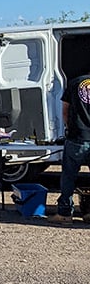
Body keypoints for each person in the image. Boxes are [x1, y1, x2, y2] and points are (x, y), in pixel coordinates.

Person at [48, 72, 90, 223]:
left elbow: (65, 111)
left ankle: (65, 213)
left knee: (68, 177)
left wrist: (68, 128)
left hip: (77, 137)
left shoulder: (74, 83)